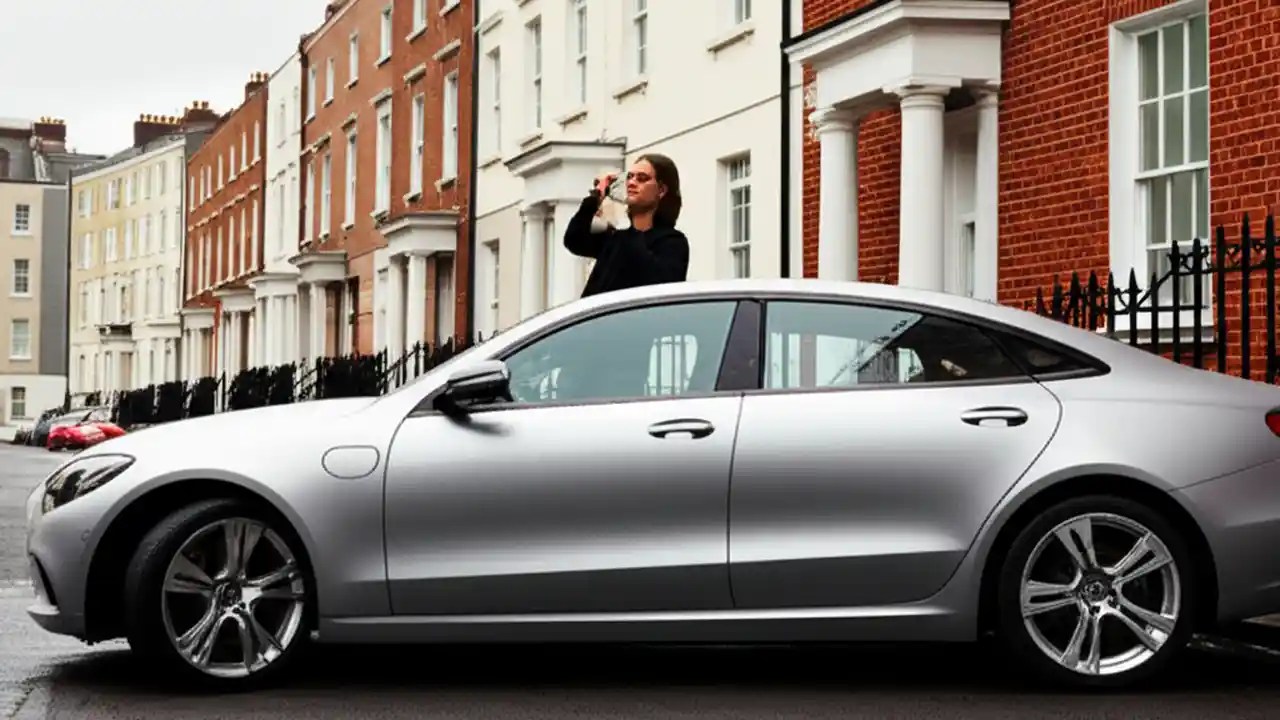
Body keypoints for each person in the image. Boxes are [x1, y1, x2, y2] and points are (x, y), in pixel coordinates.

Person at [563, 153, 689, 298]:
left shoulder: (673, 242)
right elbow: (574, 239)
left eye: (641, 178)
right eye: (629, 177)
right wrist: (597, 196)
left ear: (661, 190)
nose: (632, 183)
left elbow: (657, 280)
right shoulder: (616, 239)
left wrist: (635, 229)